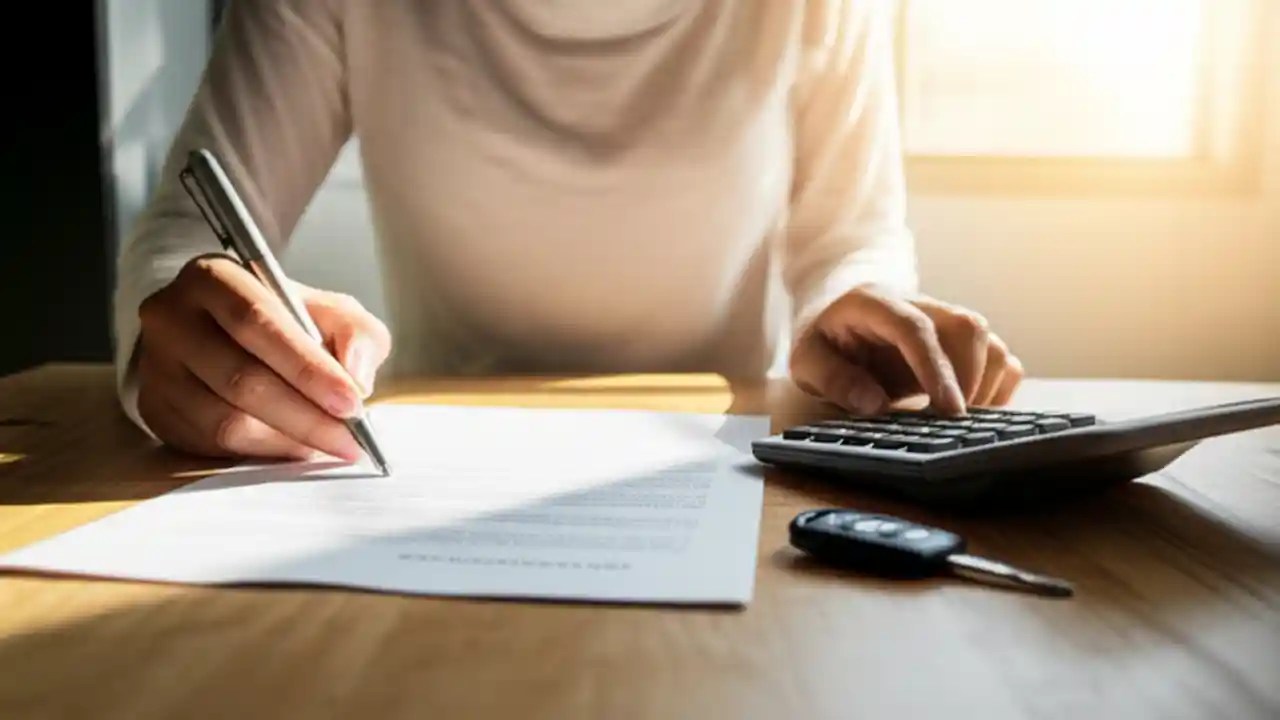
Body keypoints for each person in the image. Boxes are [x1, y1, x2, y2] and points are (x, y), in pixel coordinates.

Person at [116, 0, 1023, 463]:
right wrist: (187, 323)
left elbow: (854, 238)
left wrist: (850, 305)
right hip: (434, 474)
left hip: (723, 478)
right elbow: (186, 235)